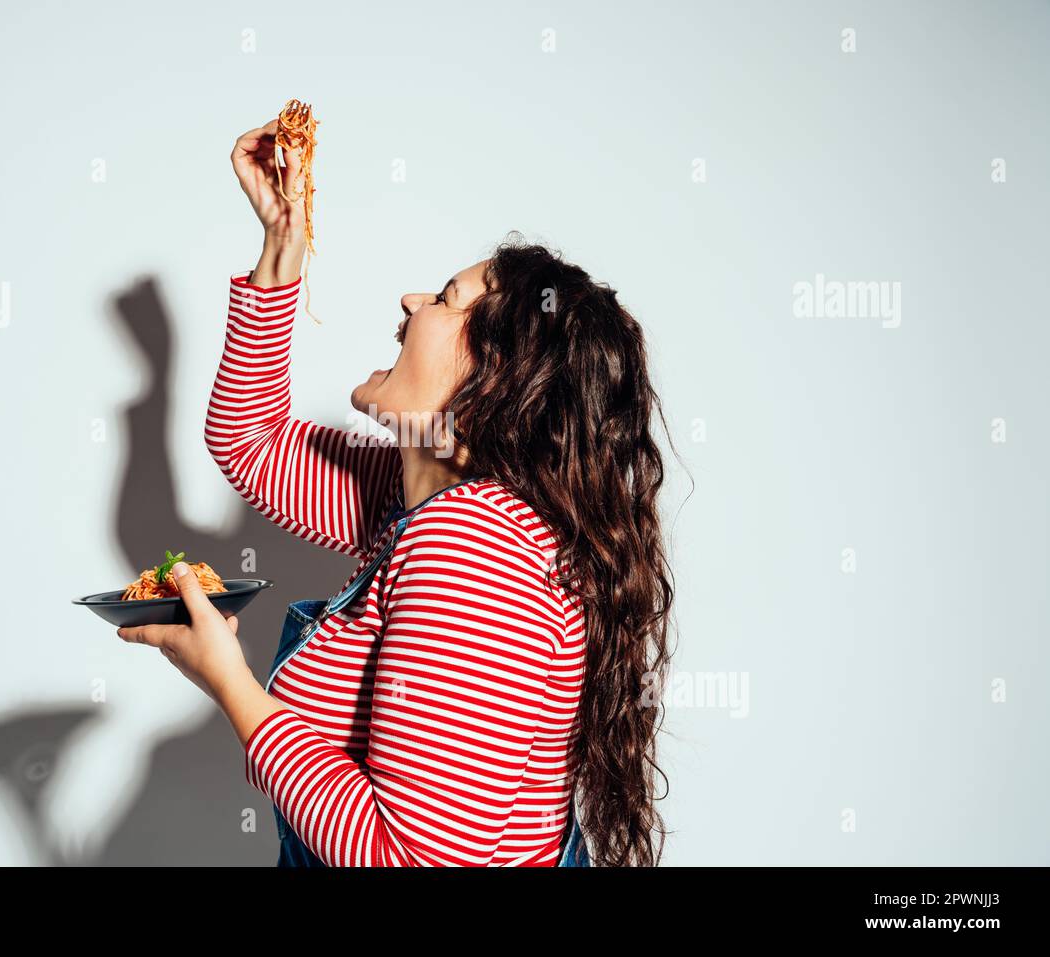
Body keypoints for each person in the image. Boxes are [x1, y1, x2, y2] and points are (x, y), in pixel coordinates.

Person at [116, 115, 675, 867]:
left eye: (447, 298)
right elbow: (251, 443)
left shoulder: (474, 549)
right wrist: (282, 249)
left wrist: (231, 684)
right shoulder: (417, 499)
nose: (413, 300)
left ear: (490, 389)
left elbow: (404, 859)